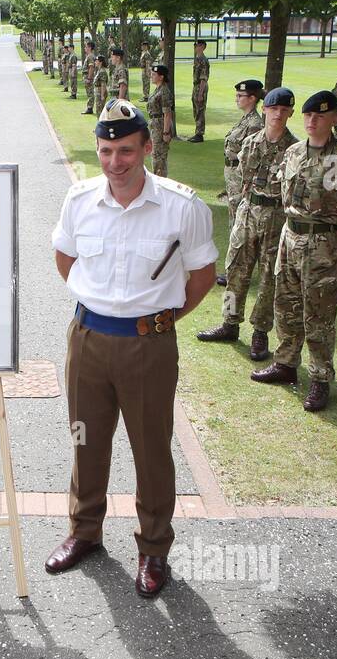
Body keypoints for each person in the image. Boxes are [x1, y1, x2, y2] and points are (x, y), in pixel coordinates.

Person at [46, 98, 218, 598]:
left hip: (149, 346)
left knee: (151, 451)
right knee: (86, 441)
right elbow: (66, 259)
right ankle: (83, 532)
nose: (114, 162)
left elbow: (203, 277)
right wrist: (98, 308)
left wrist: (161, 319)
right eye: (105, 151)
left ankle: (154, 549)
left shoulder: (183, 207)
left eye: (125, 151)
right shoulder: (79, 201)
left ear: (147, 147)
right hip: (88, 341)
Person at [251, 90, 337, 412]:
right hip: (289, 238)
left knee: (319, 314)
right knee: (286, 306)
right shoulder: (292, 153)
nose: (312, 121)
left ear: (333, 119)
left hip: (320, 245)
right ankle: (286, 363)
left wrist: (328, 235)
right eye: (307, 115)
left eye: (320, 116)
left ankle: (319, 378)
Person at [197, 86, 297, 361]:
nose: (278, 114)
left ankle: (260, 333)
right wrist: (244, 209)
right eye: (273, 108)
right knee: (235, 272)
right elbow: (242, 179)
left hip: (276, 219)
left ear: (290, 113)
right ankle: (229, 323)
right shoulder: (251, 143)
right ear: (264, 109)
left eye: (283, 109)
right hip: (248, 213)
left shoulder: (295, 149)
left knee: (268, 279)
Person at [213, 79, 266, 286]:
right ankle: (235, 269)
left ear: (252, 98)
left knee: (240, 226)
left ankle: (236, 271)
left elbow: (252, 158)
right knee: (235, 223)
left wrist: (246, 184)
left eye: (240, 96)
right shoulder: (246, 120)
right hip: (233, 178)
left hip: (241, 180)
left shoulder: (254, 123)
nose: (237, 99)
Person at [146, 63, 174, 177]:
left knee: (159, 157)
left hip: (160, 126)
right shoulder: (157, 89)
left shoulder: (164, 91)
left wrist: (166, 132)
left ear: (161, 76)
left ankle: (160, 181)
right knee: (155, 155)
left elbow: (167, 114)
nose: (151, 76)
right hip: (154, 125)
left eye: (154, 74)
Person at [185, 39, 209, 142]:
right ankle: (197, 132)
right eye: (195, 45)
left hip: (201, 86)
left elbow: (203, 77)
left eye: (198, 45)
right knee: (196, 110)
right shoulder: (198, 58)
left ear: (203, 46)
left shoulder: (203, 60)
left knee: (200, 110)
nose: (196, 47)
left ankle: (199, 134)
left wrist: (200, 93)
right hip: (196, 86)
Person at [91, 55, 109, 119]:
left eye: (96, 61)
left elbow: (103, 84)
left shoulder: (102, 71)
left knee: (100, 110)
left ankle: (101, 127)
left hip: (100, 92)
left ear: (100, 62)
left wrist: (102, 96)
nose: (95, 62)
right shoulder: (99, 70)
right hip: (98, 91)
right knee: (98, 110)